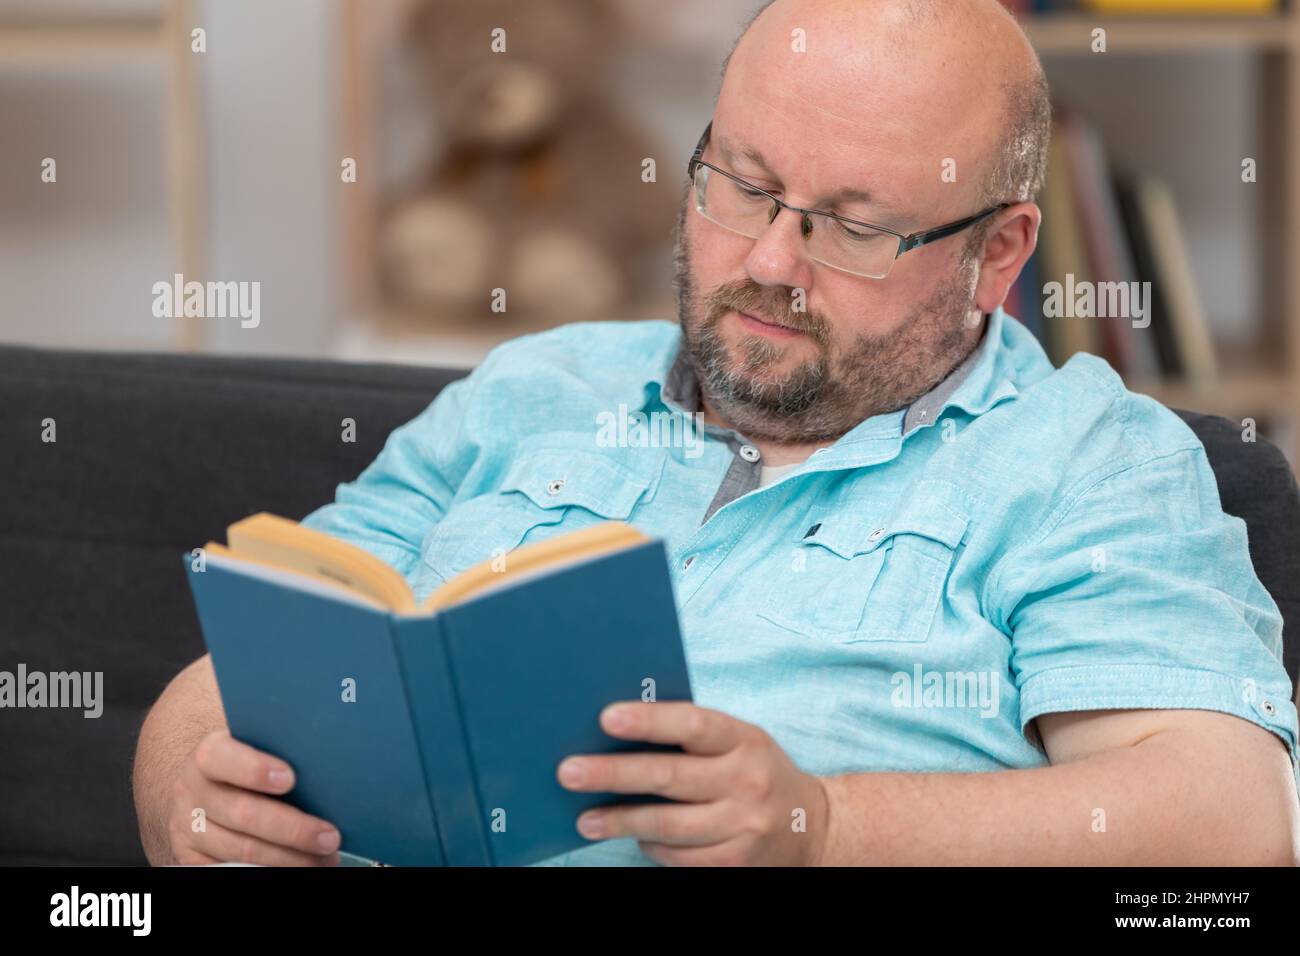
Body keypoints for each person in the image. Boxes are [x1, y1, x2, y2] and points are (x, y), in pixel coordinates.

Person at [133, 0, 1299, 866]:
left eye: (853, 227)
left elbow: (1232, 821)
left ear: (996, 255)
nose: (769, 266)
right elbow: (247, 653)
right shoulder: (530, 388)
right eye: (738, 185)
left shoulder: (1089, 463)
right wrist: (188, 790)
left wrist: (827, 825)